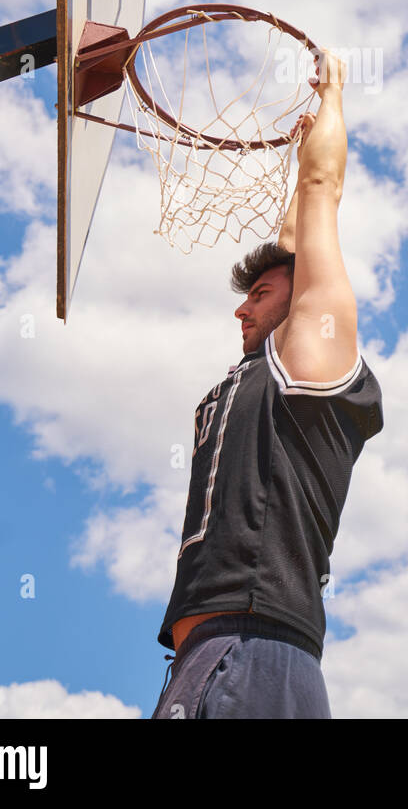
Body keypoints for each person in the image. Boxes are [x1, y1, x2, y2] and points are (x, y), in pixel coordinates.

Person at [150, 49, 383, 719]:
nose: (241, 307)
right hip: (209, 658)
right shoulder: (257, 372)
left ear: (301, 297)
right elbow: (289, 235)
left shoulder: (313, 360)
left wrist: (334, 93)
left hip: (254, 651)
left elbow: (318, 198)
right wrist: (307, 122)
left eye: (258, 293)